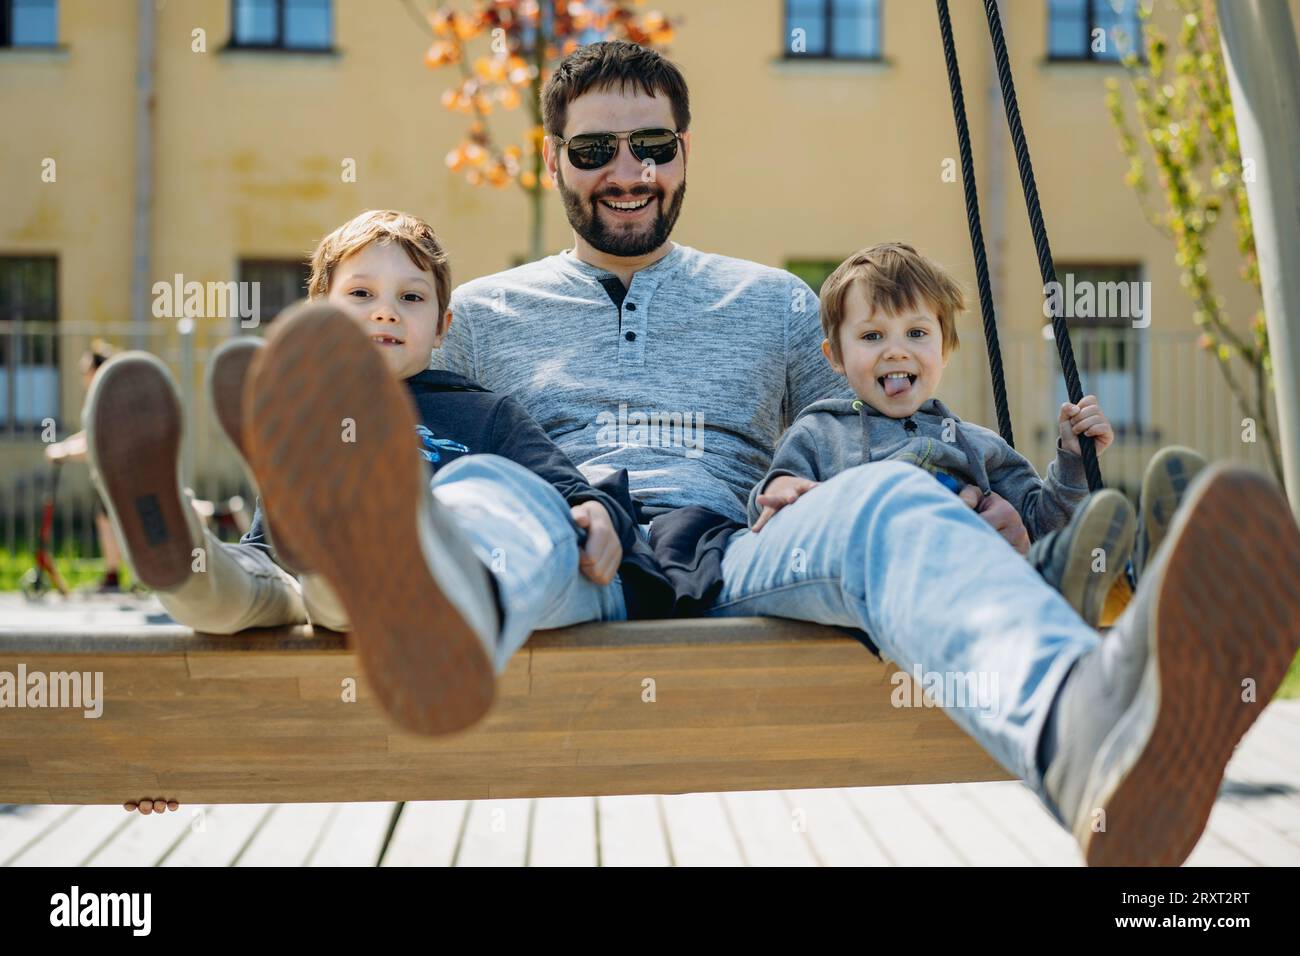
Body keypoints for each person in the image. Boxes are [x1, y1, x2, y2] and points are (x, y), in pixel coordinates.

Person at [429, 40, 1300, 865]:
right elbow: (418, 426)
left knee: (888, 494)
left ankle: (1076, 730)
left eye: (651, 144)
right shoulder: (475, 317)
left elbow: (879, 427)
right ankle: (428, 618)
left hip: (736, 556)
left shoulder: (769, 303)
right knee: (489, 492)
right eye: (594, 151)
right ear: (553, 162)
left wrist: (963, 496)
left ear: (685, 153)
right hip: (571, 551)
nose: (628, 172)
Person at [84, 210, 642, 814]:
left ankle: (308, 560)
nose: (386, 311)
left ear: (443, 326)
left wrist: (597, 509)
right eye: (361, 295)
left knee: (315, 580)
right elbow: (271, 542)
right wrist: (168, 748)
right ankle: (183, 560)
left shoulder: (484, 414)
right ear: (320, 312)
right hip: (298, 573)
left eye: (410, 297)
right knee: (256, 580)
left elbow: (566, 489)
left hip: (411, 581)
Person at [747, 241, 1135, 627]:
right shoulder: (819, 434)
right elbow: (767, 511)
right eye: (872, 336)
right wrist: (783, 488)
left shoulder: (978, 445)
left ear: (945, 347)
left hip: (976, 592)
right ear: (835, 356)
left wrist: (1073, 459)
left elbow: (1040, 520)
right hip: (885, 584)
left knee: (1045, 550)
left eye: (916, 333)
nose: (896, 351)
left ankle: (1126, 569)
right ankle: (1079, 579)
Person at [44, 339, 126, 593]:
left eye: (85, 369)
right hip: (111, 473)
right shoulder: (101, 398)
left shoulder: (105, 399)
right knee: (109, 520)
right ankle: (114, 575)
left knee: (130, 523)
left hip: (118, 472)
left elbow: (96, 442)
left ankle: (121, 576)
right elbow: (90, 435)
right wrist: (65, 445)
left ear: (97, 371)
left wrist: (66, 451)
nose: (81, 374)